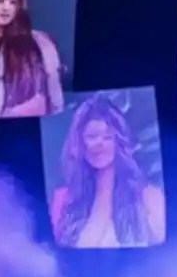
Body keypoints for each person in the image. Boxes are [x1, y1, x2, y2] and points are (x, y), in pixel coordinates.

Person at [49, 95, 165, 248]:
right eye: (91, 136)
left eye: (108, 137)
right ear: (79, 143)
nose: (99, 143)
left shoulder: (149, 197)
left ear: (119, 142)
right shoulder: (62, 200)